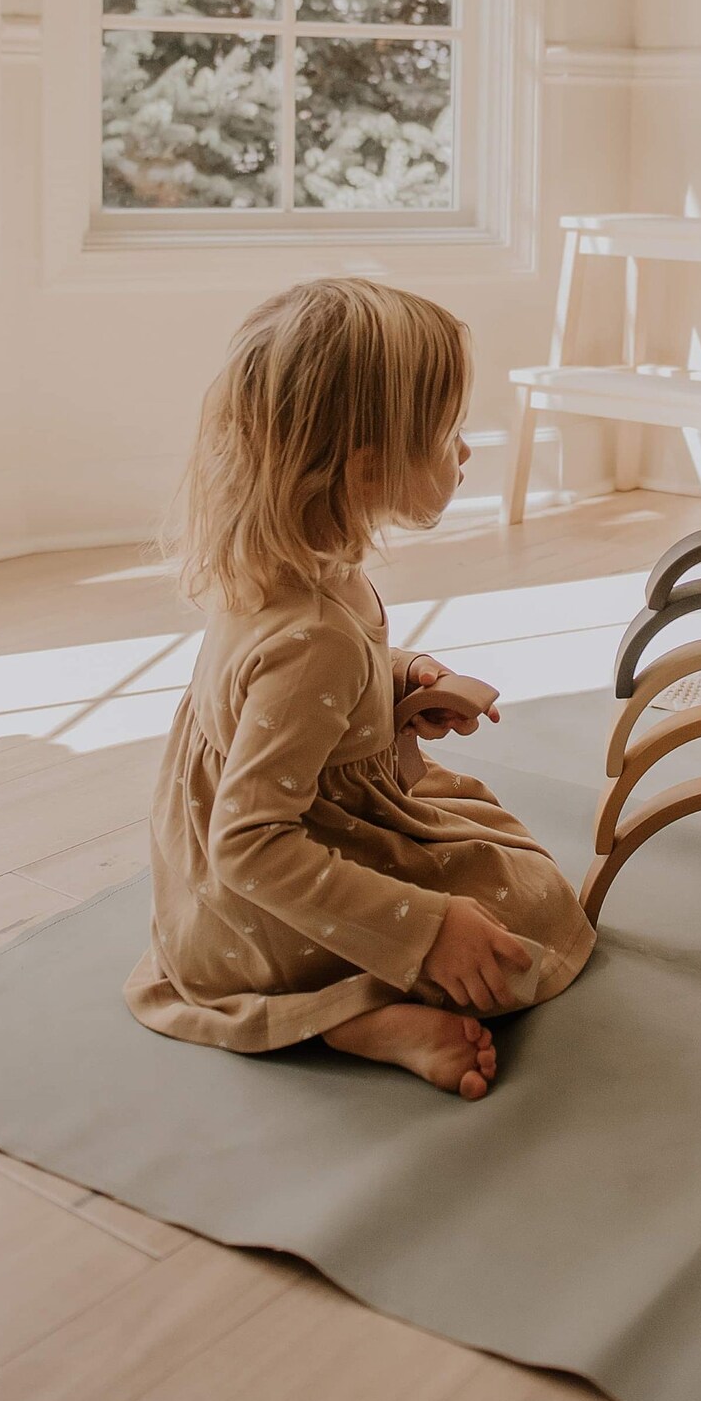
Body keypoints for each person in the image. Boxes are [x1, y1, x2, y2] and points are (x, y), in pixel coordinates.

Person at [125, 277, 594, 1098]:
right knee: (526, 923)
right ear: (368, 467)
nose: (464, 450)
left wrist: (405, 674)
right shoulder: (311, 635)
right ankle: (341, 1013)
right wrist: (428, 932)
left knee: (495, 853)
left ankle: (348, 997)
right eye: (447, 432)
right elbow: (251, 844)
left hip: (237, 864)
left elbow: (305, 691)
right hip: (253, 908)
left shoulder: (296, 569)